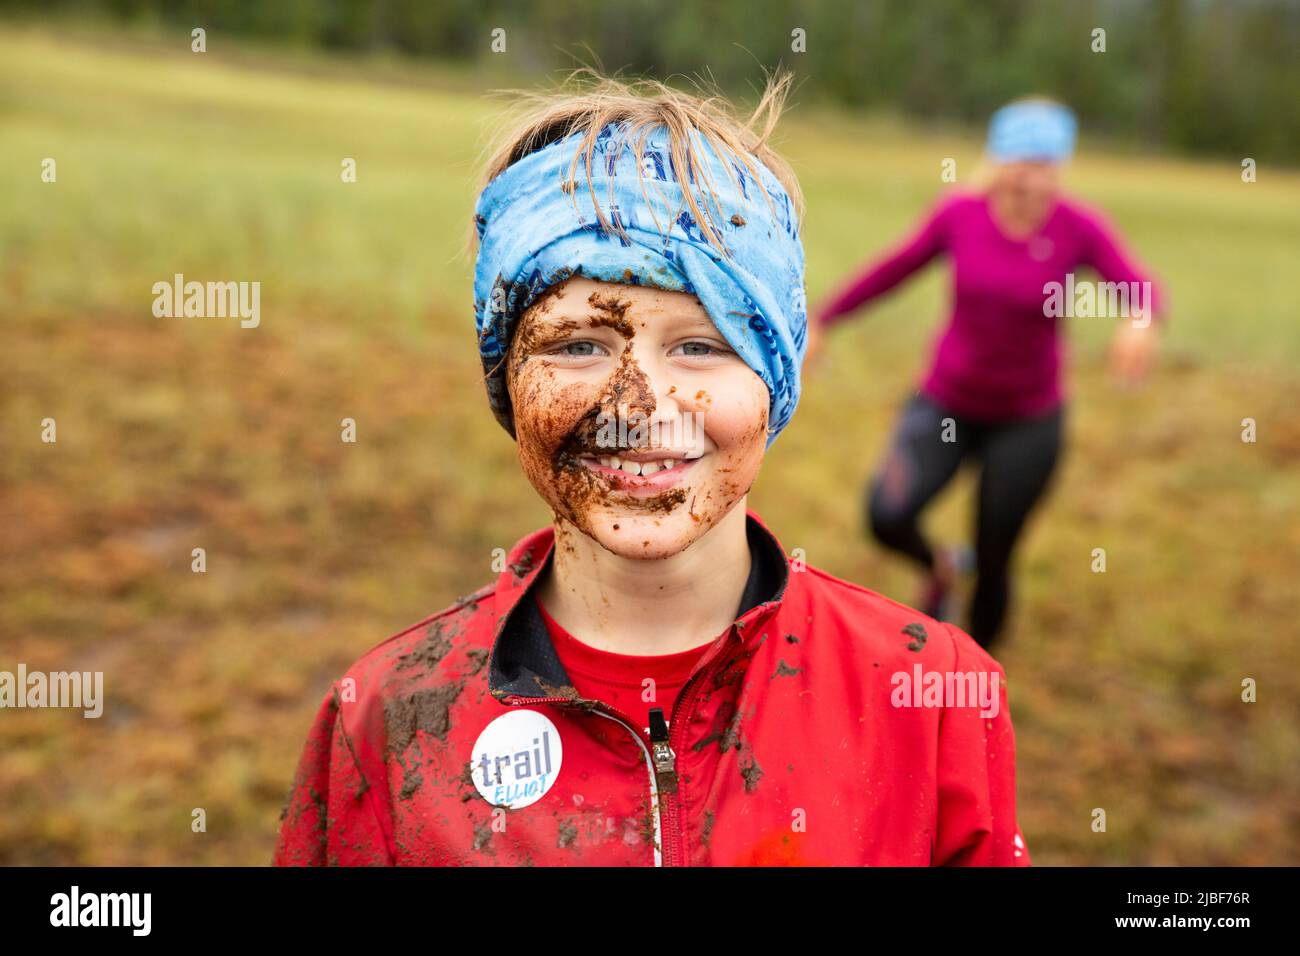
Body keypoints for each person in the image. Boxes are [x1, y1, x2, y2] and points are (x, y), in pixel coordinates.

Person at [273, 70, 1031, 866]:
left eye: (701, 346)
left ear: (773, 382)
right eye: (577, 345)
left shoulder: (934, 695)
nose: (638, 403)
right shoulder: (387, 720)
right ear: (506, 378)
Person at [806, 97, 1165, 648]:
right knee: (886, 514)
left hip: (1028, 419)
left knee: (996, 555)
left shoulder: (1078, 227)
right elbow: (894, 268)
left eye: (1047, 166)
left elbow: (1137, 285)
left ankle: (977, 681)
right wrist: (823, 318)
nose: (1033, 179)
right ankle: (942, 564)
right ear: (997, 161)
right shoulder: (960, 215)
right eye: (1022, 163)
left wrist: (1141, 319)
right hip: (945, 402)